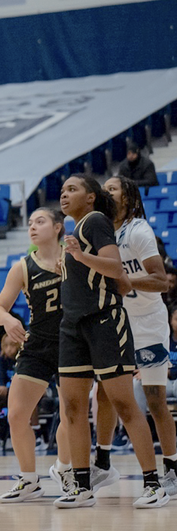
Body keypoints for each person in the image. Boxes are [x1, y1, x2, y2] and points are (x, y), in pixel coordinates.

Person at [55, 175, 166, 509]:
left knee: (124, 404)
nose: (64, 194)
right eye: (62, 190)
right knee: (73, 408)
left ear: (91, 197)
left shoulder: (95, 221)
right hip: (72, 326)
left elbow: (116, 268)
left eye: (72, 189)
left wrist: (80, 256)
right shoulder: (74, 231)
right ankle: (82, 486)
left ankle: (153, 484)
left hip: (103, 321)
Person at [94, 176, 177, 495]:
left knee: (155, 398)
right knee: (105, 392)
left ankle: (172, 468)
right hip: (118, 321)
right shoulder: (103, 232)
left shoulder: (139, 231)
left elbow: (161, 281)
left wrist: (127, 281)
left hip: (148, 322)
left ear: (127, 197)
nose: (105, 191)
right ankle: (103, 463)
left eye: (112, 188)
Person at [0, 334, 21, 454]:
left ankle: (36, 435)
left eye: (12, 345)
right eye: (5, 346)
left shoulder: (23, 358)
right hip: (10, 391)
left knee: (25, 395)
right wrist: (1, 385)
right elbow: (0, 378)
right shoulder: (2, 358)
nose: (9, 349)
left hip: (25, 390)